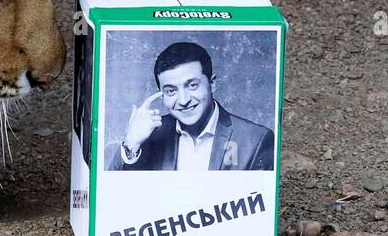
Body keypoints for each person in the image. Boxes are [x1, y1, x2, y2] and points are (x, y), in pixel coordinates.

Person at [109, 41, 274, 172]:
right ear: (161, 94)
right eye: (171, 90)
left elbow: (261, 204)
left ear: (212, 83)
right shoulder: (150, 134)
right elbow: (111, 195)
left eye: (192, 85)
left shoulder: (255, 139)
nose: (183, 100)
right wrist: (131, 143)